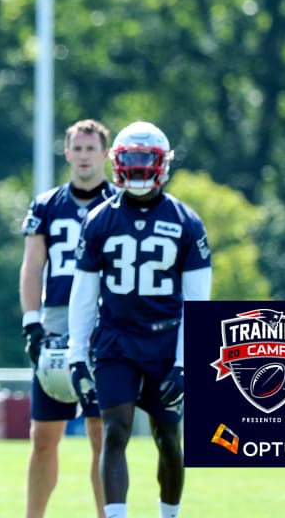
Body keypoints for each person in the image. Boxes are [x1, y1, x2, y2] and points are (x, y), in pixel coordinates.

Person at [67, 121, 212, 518]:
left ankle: (169, 515)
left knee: (169, 437)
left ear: (162, 164)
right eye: (129, 157)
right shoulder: (98, 219)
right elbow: (84, 294)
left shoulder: (187, 222)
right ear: (117, 161)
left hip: (166, 342)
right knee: (115, 432)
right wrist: (76, 353)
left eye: (145, 159)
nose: (137, 167)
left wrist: (186, 364)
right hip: (116, 341)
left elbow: (198, 303)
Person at [19, 119, 113, 518]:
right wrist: (31, 321)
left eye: (92, 149)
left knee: (101, 433)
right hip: (57, 320)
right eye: (78, 148)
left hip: (104, 321)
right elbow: (32, 265)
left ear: (105, 154)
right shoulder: (46, 204)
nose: (85, 156)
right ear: (67, 153)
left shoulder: (120, 202)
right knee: (43, 434)